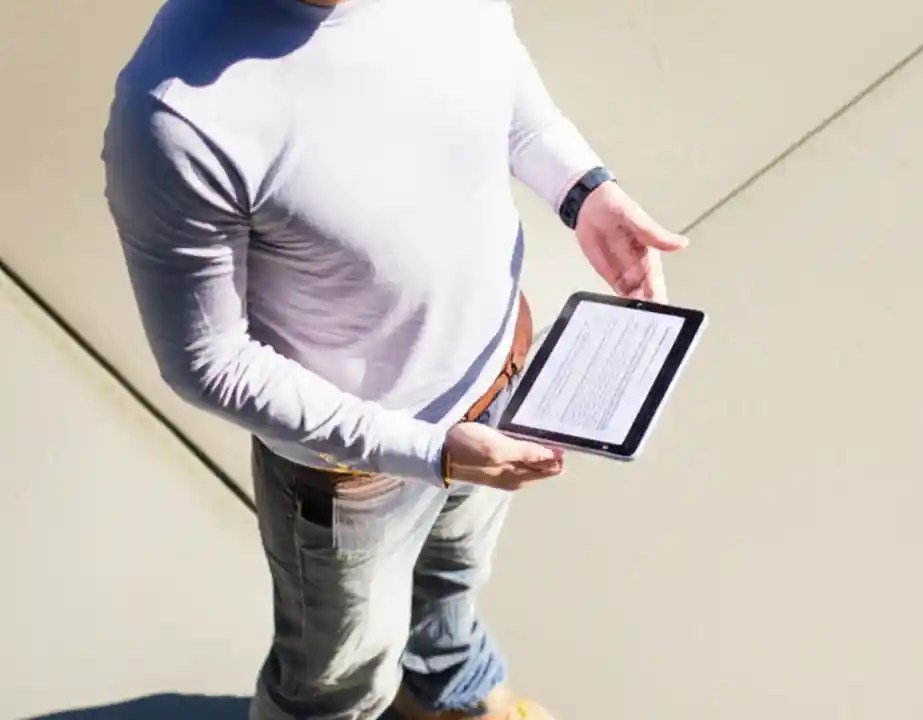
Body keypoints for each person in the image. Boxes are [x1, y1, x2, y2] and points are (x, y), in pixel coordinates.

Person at [100, 0, 688, 717]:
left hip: (499, 386)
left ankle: (447, 692)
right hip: (353, 477)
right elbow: (207, 362)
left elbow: (508, 99)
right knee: (335, 680)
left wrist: (585, 192)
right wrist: (428, 450)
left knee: (455, 581)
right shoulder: (172, 114)